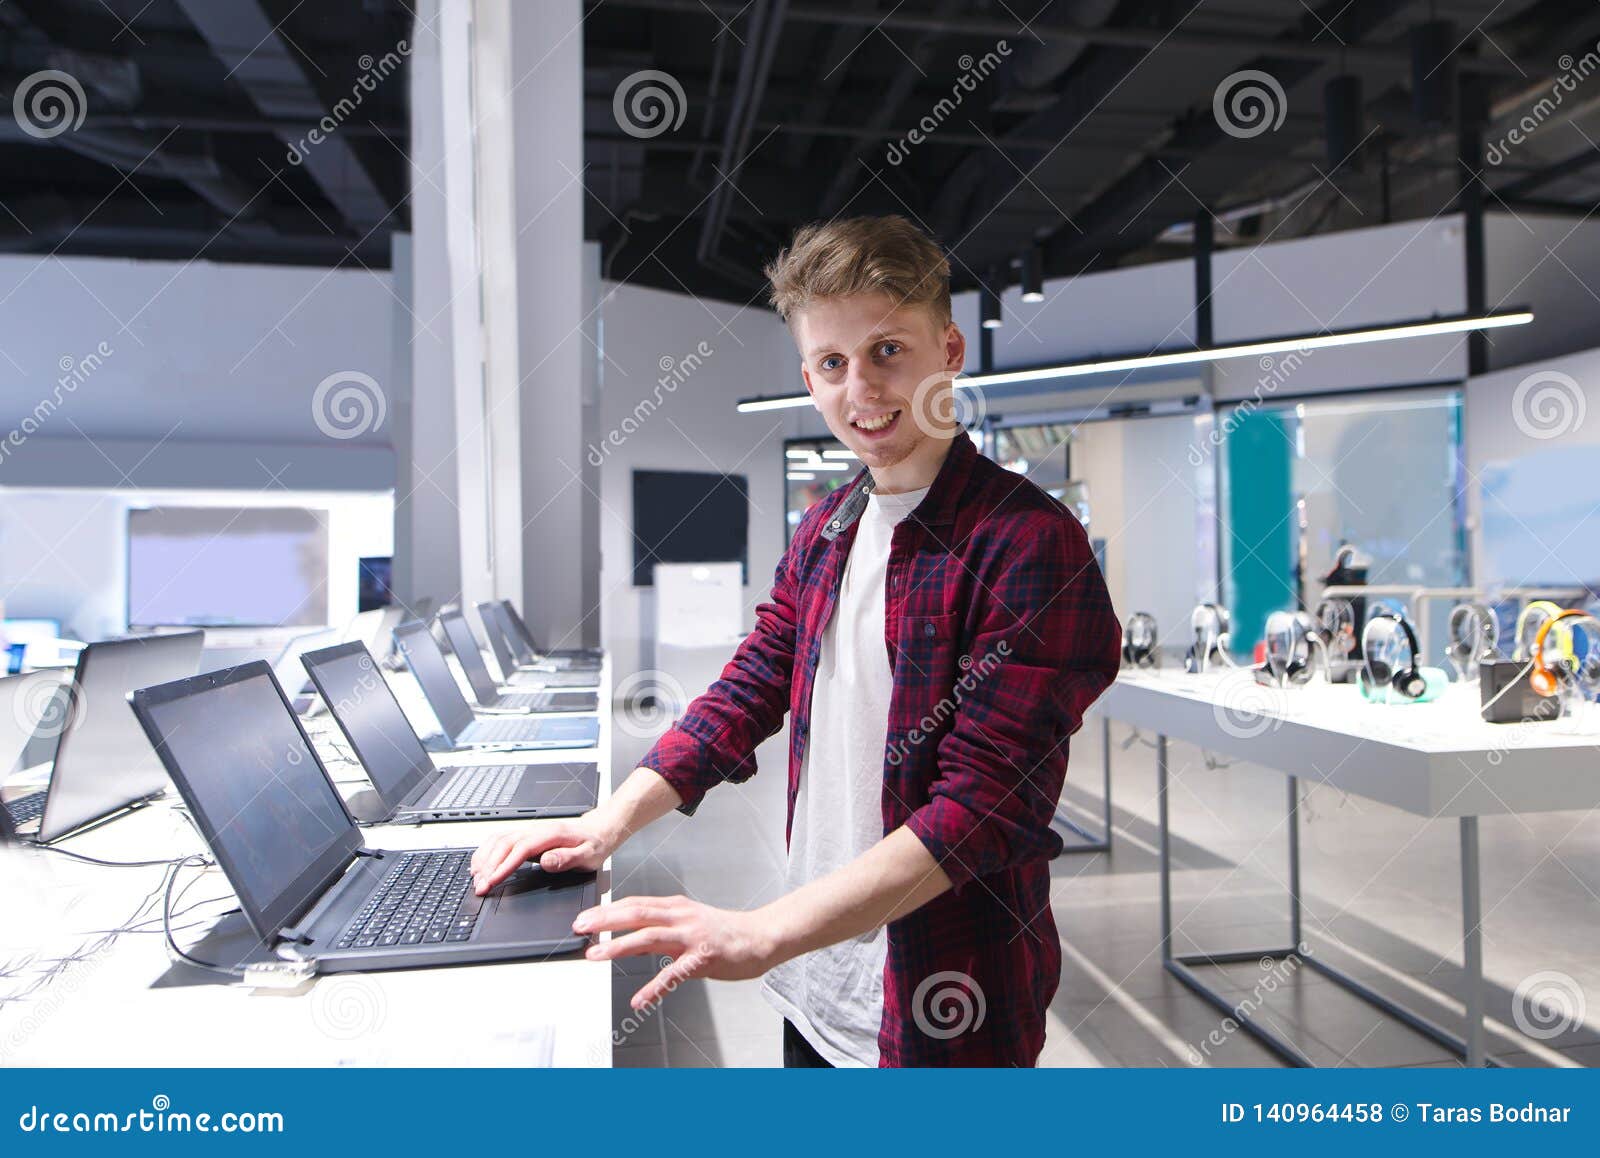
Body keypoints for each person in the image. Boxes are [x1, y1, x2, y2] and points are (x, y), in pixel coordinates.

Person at [471, 215, 1121, 1066]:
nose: (861, 391)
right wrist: (607, 824)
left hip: (946, 1000)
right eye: (831, 363)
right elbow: (751, 686)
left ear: (951, 350)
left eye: (888, 350)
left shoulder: (1028, 543)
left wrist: (763, 932)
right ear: (808, 375)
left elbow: (981, 811)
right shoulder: (828, 525)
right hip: (818, 983)